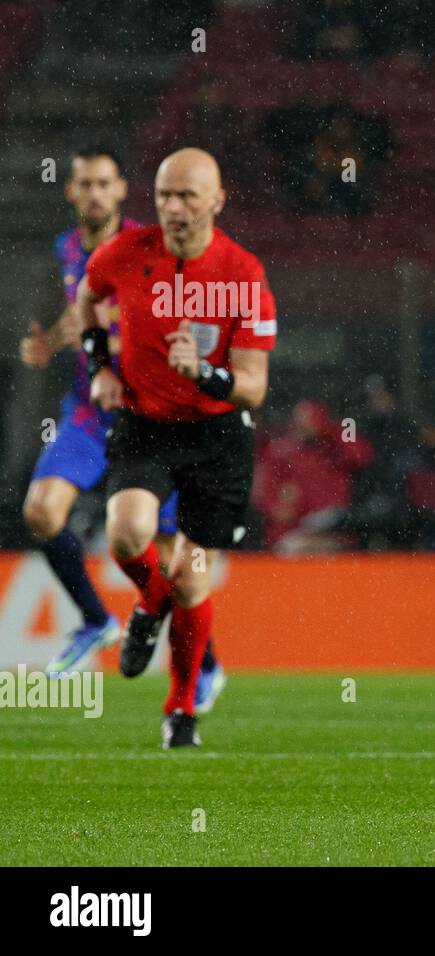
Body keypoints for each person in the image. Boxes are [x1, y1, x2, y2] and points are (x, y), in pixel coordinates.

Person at [78, 148, 276, 747]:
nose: (173, 207)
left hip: (216, 434)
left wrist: (203, 376)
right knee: (127, 534)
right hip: (146, 424)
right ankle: (148, 606)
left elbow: (254, 389)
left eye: (188, 196)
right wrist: (100, 365)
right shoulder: (126, 253)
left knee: (193, 581)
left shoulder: (243, 273)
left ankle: (181, 710)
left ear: (217, 200)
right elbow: (88, 296)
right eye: (164, 195)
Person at [22, 147, 224, 711]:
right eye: (83, 183)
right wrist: (51, 343)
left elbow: (155, 327)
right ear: (71, 190)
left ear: (120, 191)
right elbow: (87, 315)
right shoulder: (67, 248)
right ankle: (94, 620)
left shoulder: (148, 248)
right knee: (40, 511)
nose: (93, 193)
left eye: (103, 183)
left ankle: (205, 665)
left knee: (169, 561)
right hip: (90, 411)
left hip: (147, 416)